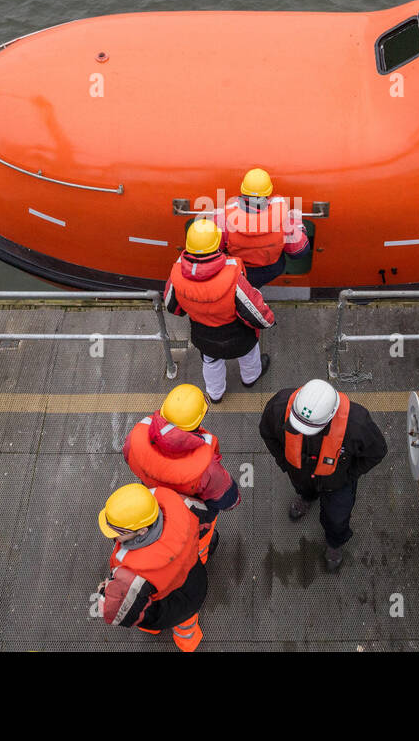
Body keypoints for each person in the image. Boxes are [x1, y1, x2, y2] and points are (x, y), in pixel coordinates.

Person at [258, 379, 387, 571]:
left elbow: (377, 451)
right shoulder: (278, 406)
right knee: (303, 489)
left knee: (337, 518)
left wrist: (349, 475)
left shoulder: (357, 424)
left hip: (338, 484)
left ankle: (334, 543)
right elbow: (267, 433)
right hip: (300, 474)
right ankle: (307, 498)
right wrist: (284, 462)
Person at [122, 384, 240, 563]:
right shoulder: (206, 467)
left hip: (151, 501)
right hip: (191, 516)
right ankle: (200, 558)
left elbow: (128, 457)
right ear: (199, 418)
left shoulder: (136, 436)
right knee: (198, 541)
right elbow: (228, 499)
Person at [165, 218, 275, 403]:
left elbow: (172, 307)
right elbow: (255, 311)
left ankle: (215, 395)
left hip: (203, 335)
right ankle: (250, 379)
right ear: (218, 243)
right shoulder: (232, 275)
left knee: (210, 362)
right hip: (238, 335)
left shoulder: (176, 274)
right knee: (249, 355)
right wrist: (270, 320)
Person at [96, 483, 211, 651]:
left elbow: (116, 611)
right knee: (186, 625)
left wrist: (103, 592)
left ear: (142, 531)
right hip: (194, 585)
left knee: (149, 615)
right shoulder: (181, 506)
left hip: (165, 605)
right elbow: (204, 522)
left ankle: (154, 630)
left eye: (118, 531)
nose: (112, 534)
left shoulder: (132, 571)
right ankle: (189, 644)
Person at [214, 168, 311, 288]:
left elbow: (215, 250)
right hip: (271, 270)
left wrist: (215, 219)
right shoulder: (283, 218)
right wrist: (296, 221)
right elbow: (299, 252)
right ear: (269, 191)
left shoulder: (223, 218)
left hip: (238, 270)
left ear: (243, 189)